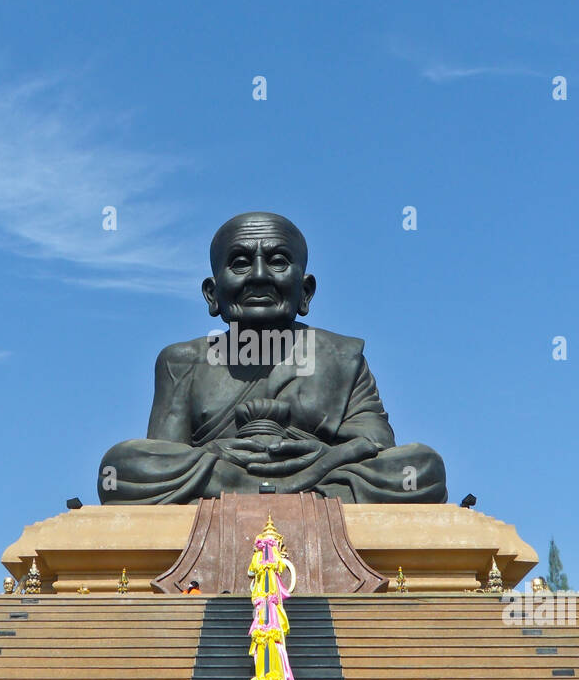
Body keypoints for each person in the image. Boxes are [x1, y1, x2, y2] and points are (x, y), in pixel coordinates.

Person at [98, 211, 447, 505]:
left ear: (305, 291)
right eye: (240, 263)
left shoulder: (341, 356)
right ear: (212, 294)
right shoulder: (182, 360)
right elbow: (164, 455)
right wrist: (216, 453)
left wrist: (323, 457)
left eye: (278, 261)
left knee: (419, 468)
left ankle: (259, 492)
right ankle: (285, 494)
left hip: (316, 472)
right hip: (246, 475)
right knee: (122, 465)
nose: (260, 276)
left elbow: (376, 444)